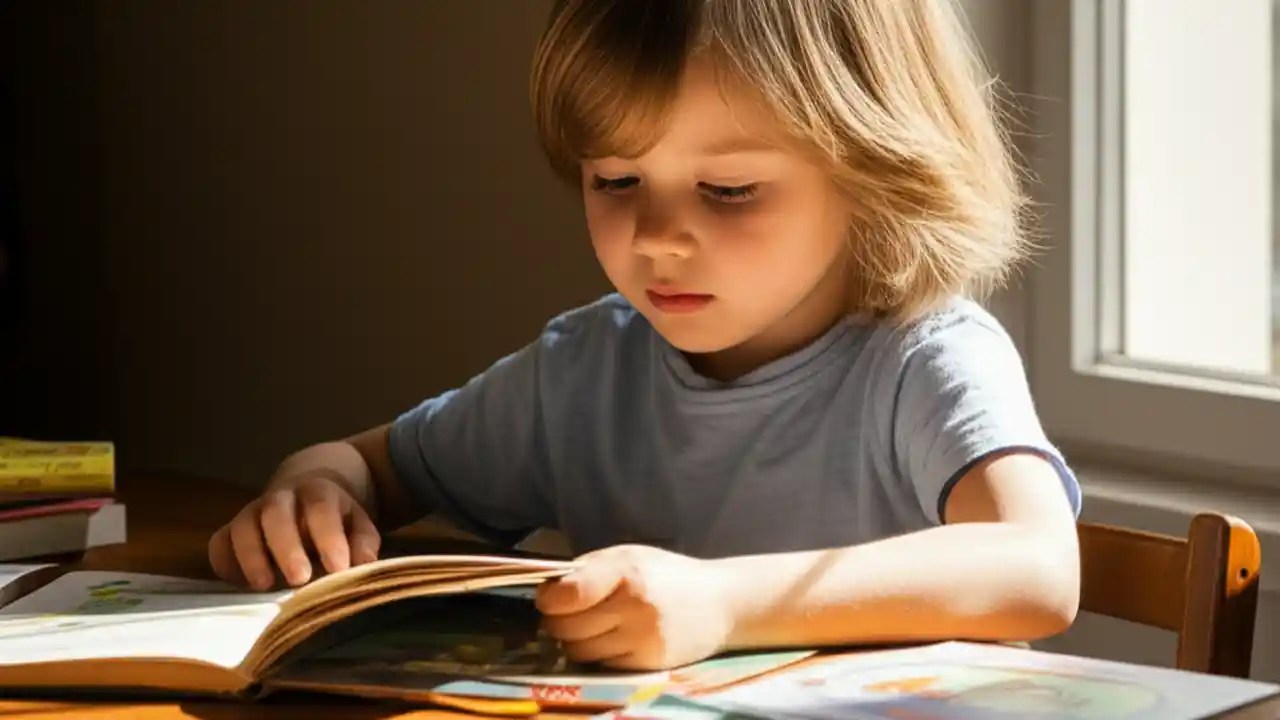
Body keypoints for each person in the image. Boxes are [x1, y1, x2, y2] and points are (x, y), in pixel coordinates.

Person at [208, 0, 1083, 672]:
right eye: (616, 179)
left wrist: (724, 605)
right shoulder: (586, 374)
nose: (657, 235)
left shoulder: (922, 360)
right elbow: (371, 465)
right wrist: (309, 490)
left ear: (875, 170)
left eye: (730, 189)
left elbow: (1038, 568)